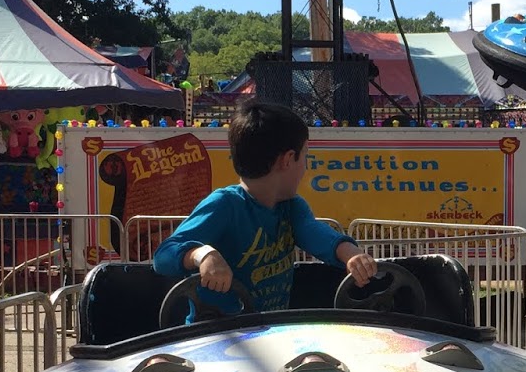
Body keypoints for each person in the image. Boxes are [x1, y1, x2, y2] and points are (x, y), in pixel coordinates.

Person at [153, 100, 377, 319]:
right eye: (305, 156)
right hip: (213, 336)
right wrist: (202, 255)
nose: (305, 167)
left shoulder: (292, 207)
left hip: (267, 332)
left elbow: (313, 232)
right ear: (288, 159)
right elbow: (163, 256)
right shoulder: (224, 205)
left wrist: (350, 254)